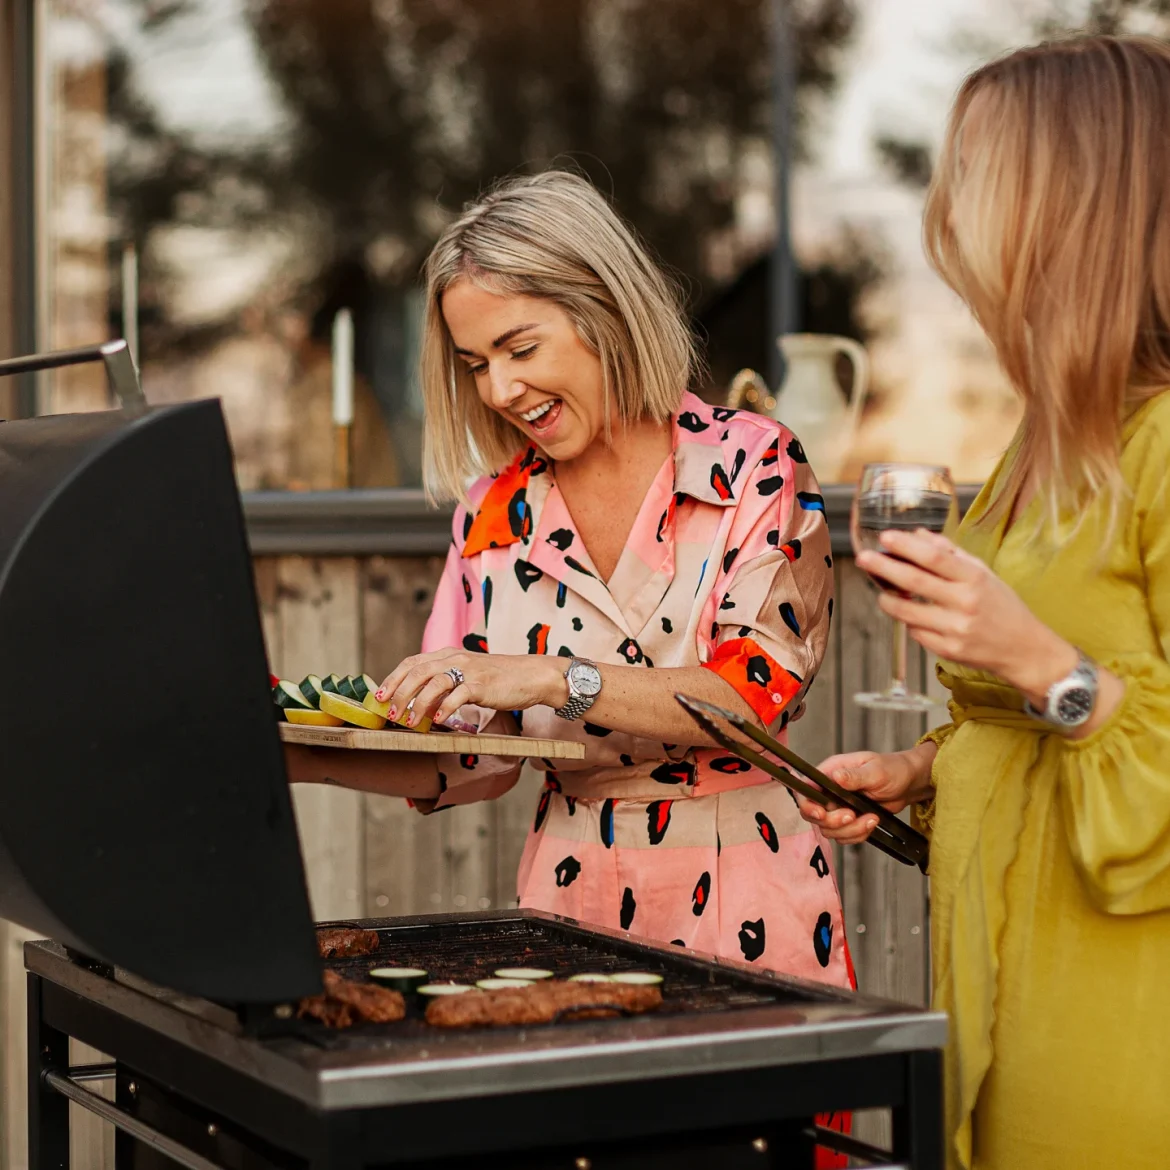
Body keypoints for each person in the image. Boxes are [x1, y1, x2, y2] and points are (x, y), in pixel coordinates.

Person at [287, 171, 852, 986]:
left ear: (605, 312)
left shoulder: (752, 464)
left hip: (746, 892)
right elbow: (466, 756)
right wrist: (292, 751)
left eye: (521, 348)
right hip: (566, 904)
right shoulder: (492, 512)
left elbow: (751, 697)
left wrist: (549, 677)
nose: (501, 389)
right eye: (476, 362)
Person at [796, 34, 1170, 1170]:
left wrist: (1044, 666)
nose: (948, 210)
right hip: (1004, 998)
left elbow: (1076, 687)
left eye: (979, 176)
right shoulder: (1043, 453)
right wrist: (920, 773)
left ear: (1076, 209)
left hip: (1121, 1028)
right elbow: (1030, 712)